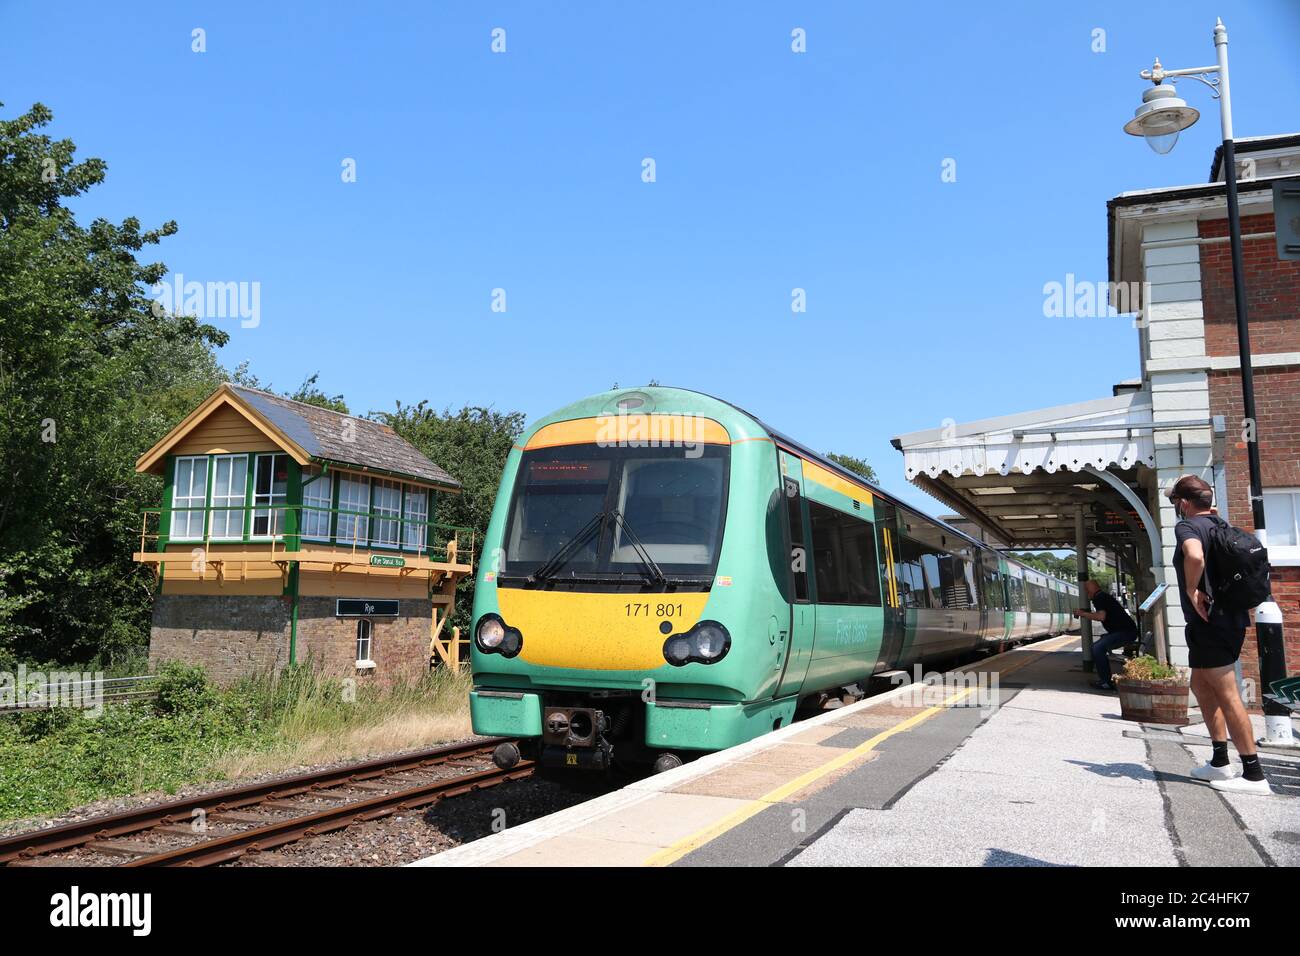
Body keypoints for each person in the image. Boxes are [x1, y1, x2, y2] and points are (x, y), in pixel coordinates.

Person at [1168, 474, 1273, 796]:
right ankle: (1219, 762)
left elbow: (1195, 555)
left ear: (1184, 503)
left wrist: (1191, 588)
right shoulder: (1221, 525)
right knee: (1200, 685)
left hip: (1210, 623)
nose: (1176, 507)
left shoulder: (1189, 526)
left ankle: (1254, 774)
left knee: (1227, 694)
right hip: (1228, 621)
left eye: (1176, 502)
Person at [1073, 580, 1137, 691]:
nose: (1087, 593)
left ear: (1091, 590)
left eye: (1087, 590)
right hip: (1126, 631)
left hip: (1125, 632)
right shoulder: (1103, 596)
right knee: (1099, 645)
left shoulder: (1099, 598)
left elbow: (1101, 617)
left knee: (1097, 648)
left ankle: (1106, 682)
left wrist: (1082, 614)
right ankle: (1105, 680)